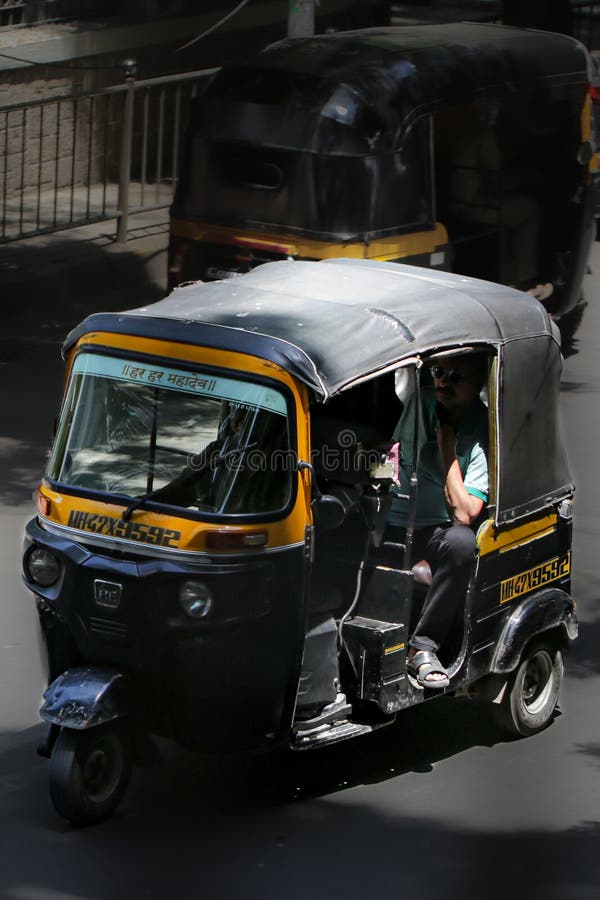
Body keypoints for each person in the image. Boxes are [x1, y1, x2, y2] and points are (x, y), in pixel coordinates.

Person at [386, 354, 489, 689]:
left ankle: (423, 647)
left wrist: (446, 445)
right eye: (438, 373)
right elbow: (395, 453)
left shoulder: (480, 429)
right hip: (391, 515)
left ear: (478, 386)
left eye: (456, 376)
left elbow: (464, 513)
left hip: (434, 529)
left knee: (462, 542)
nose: (443, 382)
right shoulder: (422, 401)